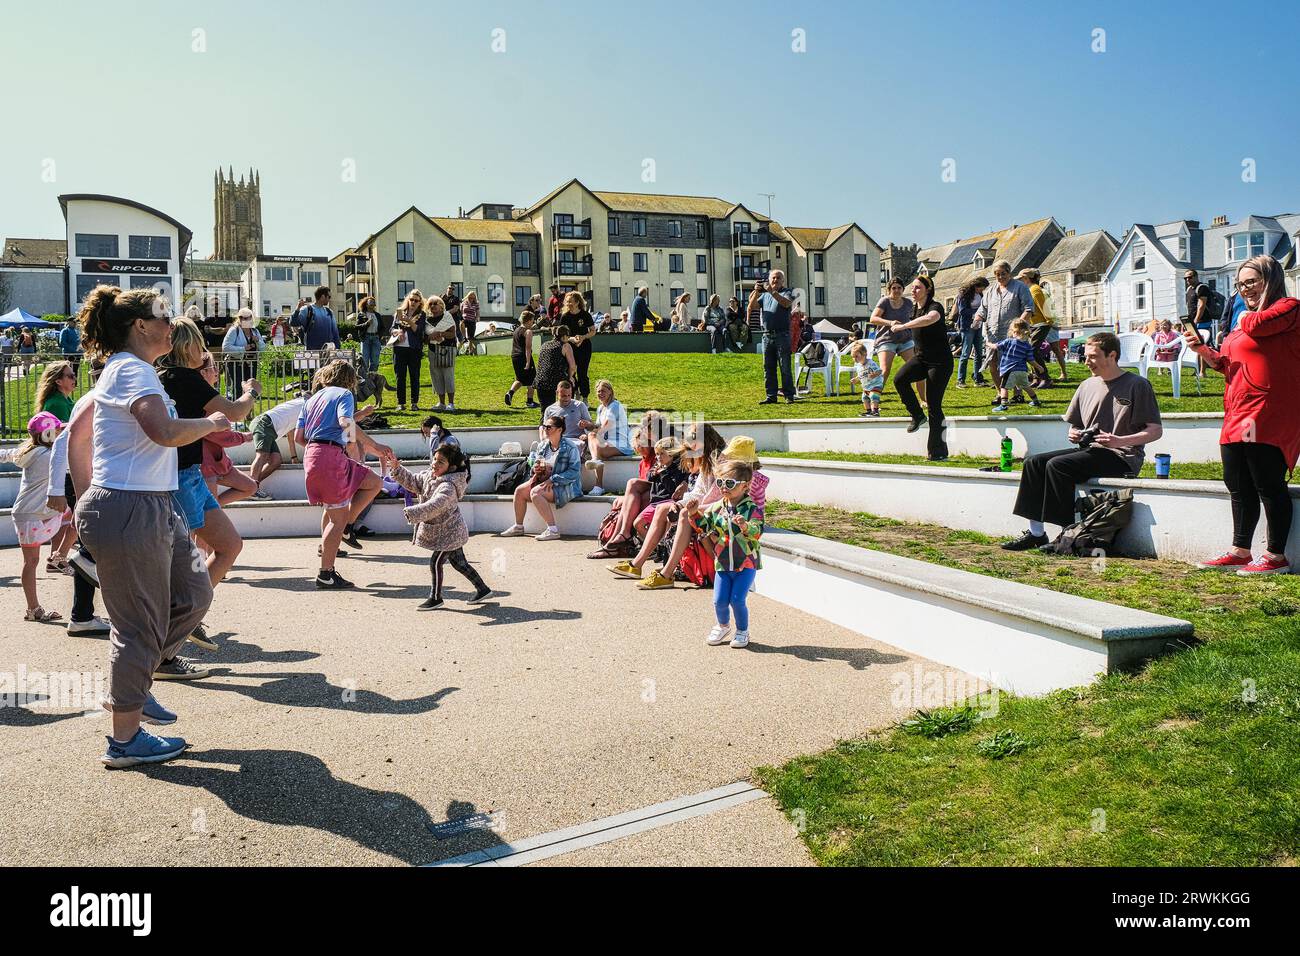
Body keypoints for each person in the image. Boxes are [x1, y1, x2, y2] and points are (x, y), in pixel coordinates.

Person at [70, 285, 225, 766]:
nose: (171, 324)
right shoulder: (130, 369)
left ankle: (133, 687)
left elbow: (83, 435)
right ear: (140, 326)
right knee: (139, 628)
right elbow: (162, 431)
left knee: (195, 593)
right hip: (131, 507)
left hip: (151, 505)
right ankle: (124, 739)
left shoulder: (134, 372)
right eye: (163, 316)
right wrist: (210, 423)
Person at [1185, 255, 1300, 575]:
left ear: (1272, 280)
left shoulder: (1289, 308)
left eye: (1252, 282)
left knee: (1266, 481)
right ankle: (1240, 550)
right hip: (1237, 410)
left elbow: (1257, 325)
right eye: (1240, 284)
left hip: (1268, 411)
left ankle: (1277, 557)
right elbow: (1227, 364)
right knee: (1237, 481)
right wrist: (1202, 350)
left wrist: (1244, 313)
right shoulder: (1243, 319)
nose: (1244, 289)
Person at [1002, 332, 1163, 551]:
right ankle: (1036, 534)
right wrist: (1074, 433)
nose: (1086, 361)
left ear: (1112, 355)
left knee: (1058, 466)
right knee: (1033, 463)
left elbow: (1154, 431)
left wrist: (1119, 441)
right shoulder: (1087, 385)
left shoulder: (1137, 385)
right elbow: (1074, 425)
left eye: (1093, 356)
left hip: (1122, 456)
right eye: (1085, 356)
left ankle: (1069, 537)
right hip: (1092, 451)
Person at [157, 319, 261, 651]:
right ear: (189, 346)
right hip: (180, 479)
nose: (204, 351)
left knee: (228, 545)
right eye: (200, 344)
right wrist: (251, 392)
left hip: (190, 475)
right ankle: (177, 627)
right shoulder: (184, 379)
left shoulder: (164, 379)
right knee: (185, 558)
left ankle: (191, 614)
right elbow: (234, 412)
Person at [294, 359, 394, 588]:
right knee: (338, 519)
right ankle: (326, 573)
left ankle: (336, 537)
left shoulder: (311, 400)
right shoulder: (344, 395)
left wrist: (321, 450)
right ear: (349, 379)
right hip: (331, 455)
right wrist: (367, 447)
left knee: (373, 482)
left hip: (313, 455)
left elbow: (299, 437)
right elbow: (345, 422)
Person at [388, 442, 492, 609]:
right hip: (448, 532)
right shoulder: (431, 476)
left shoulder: (448, 487)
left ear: (451, 468)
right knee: (460, 564)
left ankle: (435, 598)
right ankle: (483, 589)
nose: (434, 464)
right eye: (435, 459)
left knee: (435, 563)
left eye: (441, 462)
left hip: (450, 533)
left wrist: (412, 512)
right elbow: (413, 481)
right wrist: (397, 468)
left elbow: (435, 505)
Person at [2, 412, 73, 622]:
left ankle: (59, 555)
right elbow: (68, 458)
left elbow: (8, 454)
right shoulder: (47, 458)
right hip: (31, 514)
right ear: (49, 433)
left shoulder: (31, 450)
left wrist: (66, 426)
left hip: (36, 512)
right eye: (56, 430)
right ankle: (33, 609)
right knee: (31, 562)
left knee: (74, 515)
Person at [695, 459, 763, 649]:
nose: (724, 487)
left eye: (730, 483)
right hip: (723, 562)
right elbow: (704, 527)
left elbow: (757, 531)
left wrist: (745, 526)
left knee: (737, 599)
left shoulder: (751, 508)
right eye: (720, 482)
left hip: (746, 562)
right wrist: (694, 514)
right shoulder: (717, 507)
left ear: (746, 486)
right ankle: (723, 625)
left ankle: (742, 630)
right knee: (719, 600)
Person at [891, 275, 953, 461]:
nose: (913, 290)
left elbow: (929, 319)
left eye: (918, 287)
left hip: (940, 363)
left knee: (934, 406)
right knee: (899, 379)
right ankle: (917, 415)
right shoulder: (913, 309)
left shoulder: (935, 307)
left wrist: (903, 327)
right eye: (913, 288)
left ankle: (937, 451)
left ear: (928, 289)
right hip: (921, 358)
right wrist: (894, 324)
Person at [607, 437, 688, 578]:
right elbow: (650, 477)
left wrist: (663, 474)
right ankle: (655, 548)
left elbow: (673, 488)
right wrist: (656, 472)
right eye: (657, 454)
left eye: (662, 454)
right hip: (655, 502)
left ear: (672, 453)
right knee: (638, 523)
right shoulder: (659, 465)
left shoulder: (678, 468)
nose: (658, 457)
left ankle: (658, 550)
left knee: (655, 526)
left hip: (667, 500)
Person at [499, 414, 582, 541]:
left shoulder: (571, 447)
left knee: (536, 493)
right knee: (520, 491)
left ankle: (553, 530)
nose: (545, 430)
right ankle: (519, 526)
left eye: (549, 427)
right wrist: (535, 470)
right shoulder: (543, 446)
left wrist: (553, 479)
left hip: (566, 485)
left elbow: (574, 472)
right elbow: (536, 465)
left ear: (560, 430)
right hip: (545, 481)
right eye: (544, 427)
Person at [198, 352, 259, 506]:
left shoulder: (210, 397)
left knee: (250, 487)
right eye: (213, 367)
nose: (217, 371)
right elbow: (220, 435)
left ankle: (215, 510)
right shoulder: (202, 399)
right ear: (203, 372)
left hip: (218, 464)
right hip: (206, 466)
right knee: (207, 513)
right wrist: (245, 437)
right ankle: (213, 513)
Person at [975, 259, 1036, 394]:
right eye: (997, 274)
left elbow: (1029, 308)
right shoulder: (990, 291)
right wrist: (977, 319)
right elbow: (982, 309)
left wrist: (1019, 325)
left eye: (1003, 273)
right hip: (992, 333)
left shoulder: (1020, 287)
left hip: (1012, 334)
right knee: (993, 365)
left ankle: (1017, 394)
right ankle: (999, 393)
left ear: (1009, 273)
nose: (1001, 277)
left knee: (1013, 366)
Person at [869, 278, 922, 403]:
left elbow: (915, 319)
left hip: (905, 339)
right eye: (894, 288)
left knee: (919, 367)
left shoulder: (909, 303)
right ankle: (874, 398)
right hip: (886, 339)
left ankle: (923, 400)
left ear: (903, 289)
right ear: (889, 290)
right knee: (885, 369)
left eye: (899, 288)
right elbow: (873, 318)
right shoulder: (884, 302)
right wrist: (890, 322)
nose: (897, 290)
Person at [579, 378, 633, 495]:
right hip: (607, 441)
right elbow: (597, 426)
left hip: (621, 443)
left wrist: (592, 431)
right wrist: (588, 426)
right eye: (598, 391)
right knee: (591, 436)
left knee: (594, 439)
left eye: (603, 391)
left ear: (610, 391)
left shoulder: (615, 405)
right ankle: (596, 464)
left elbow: (606, 425)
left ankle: (598, 484)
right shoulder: (601, 408)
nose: (600, 394)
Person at [750, 269, 796, 404]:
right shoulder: (764, 295)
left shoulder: (787, 292)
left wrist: (771, 291)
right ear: (769, 280)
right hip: (767, 336)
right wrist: (756, 291)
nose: (775, 280)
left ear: (783, 280)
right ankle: (771, 395)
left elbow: (786, 303)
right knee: (768, 367)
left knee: (785, 367)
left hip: (782, 335)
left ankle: (789, 395)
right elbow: (752, 306)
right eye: (773, 278)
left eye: (778, 278)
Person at [248, 395, 305, 494]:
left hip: (269, 428)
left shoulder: (299, 406)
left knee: (276, 461)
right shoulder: (306, 405)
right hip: (264, 423)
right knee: (262, 455)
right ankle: (250, 489)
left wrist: (294, 457)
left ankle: (249, 486)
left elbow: (291, 432)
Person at [991, 319, 1042, 413]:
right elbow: (1030, 360)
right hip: (1022, 371)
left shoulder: (1009, 341)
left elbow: (996, 347)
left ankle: (1003, 405)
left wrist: (988, 344)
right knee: (1026, 386)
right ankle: (1036, 401)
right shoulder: (1027, 345)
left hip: (1010, 370)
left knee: (1004, 387)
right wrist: (1039, 367)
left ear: (1014, 331)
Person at [390, 289, 426, 411]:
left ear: (420, 302)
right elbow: (392, 329)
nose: (413, 302)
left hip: (414, 349)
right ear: (408, 300)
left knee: (414, 376)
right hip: (399, 348)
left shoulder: (422, 314)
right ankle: (401, 403)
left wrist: (409, 321)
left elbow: (419, 331)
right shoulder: (400, 312)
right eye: (411, 299)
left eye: (416, 300)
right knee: (400, 377)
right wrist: (397, 332)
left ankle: (414, 403)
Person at [559, 291, 595, 401]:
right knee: (571, 371)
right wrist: (571, 339)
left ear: (577, 302)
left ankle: (585, 397)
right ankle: (574, 394)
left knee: (582, 373)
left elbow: (593, 331)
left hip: (584, 347)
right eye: (567, 301)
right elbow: (561, 335)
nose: (568, 304)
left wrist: (583, 337)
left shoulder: (585, 315)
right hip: (570, 348)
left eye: (570, 301)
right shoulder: (565, 317)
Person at [221, 307, 264, 400]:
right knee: (238, 389)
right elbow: (226, 347)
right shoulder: (234, 330)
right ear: (239, 319)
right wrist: (243, 349)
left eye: (249, 317)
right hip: (235, 363)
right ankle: (236, 412)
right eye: (244, 318)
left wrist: (258, 341)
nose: (247, 320)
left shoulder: (255, 331)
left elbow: (263, 348)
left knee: (250, 389)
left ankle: (248, 412)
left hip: (251, 364)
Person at [533, 324, 577, 415]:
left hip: (541, 381)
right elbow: (572, 366)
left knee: (545, 412)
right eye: (568, 336)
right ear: (564, 336)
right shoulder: (565, 346)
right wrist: (570, 377)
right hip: (556, 381)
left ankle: (544, 427)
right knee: (564, 410)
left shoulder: (545, 345)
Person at [954, 277, 989, 387]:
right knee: (965, 353)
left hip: (978, 326)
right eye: (982, 288)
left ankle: (978, 378)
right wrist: (978, 312)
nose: (982, 290)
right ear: (976, 285)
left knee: (979, 353)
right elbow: (963, 311)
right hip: (967, 326)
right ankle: (960, 380)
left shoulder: (980, 295)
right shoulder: (963, 295)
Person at [424, 295, 457, 411]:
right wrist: (429, 338)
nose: (432, 306)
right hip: (433, 350)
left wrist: (440, 334)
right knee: (436, 377)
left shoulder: (447, 317)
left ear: (441, 305)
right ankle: (441, 403)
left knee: (448, 376)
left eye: (435, 303)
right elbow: (424, 338)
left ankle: (451, 403)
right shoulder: (426, 320)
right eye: (430, 304)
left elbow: (452, 334)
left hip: (446, 350)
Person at [504, 310, 539, 407]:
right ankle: (530, 401)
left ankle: (510, 393)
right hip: (523, 356)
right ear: (528, 321)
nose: (533, 323)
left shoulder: (517, 330)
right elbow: (528, 348)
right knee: (532, 378)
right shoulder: (528, 331)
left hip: (515, 356)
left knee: (520, 378)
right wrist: (528, 362)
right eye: (532, 320)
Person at [291, 286, 341, 351]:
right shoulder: (307, 310)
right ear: (323, 297)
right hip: (312, 352)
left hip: (328, 351)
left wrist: (337, 348)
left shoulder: (329, 312)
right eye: (329, 297)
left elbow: (335, 332)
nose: (329, 299)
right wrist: (297, 309)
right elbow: (293, 323)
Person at [541, 378, 590, 444]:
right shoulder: (549, 409)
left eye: (569, 395)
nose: (567, 398)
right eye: (563, 396)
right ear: (557, 393)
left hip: (577, 440)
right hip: (558, 441)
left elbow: (591, 426)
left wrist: (587, 424)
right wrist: (546, 440)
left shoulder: (580, 405)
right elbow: (545, 429)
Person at [847, 340, 884, 417]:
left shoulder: (871, 363)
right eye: (853, 357)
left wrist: (874, 374)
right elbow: (860, 375)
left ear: (864, 354)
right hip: (866, 386)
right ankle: (869, 411)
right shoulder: (858, 366)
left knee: (873, 396)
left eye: (857, 356)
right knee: (864, 398)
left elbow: (880, 371)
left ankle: (875, 411)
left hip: (876, 384)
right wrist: (856, 379)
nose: (855, 359)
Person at [353, 295, 384, 373]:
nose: (372, 304)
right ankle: (365, 380)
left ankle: (373, 379)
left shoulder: (377, 315)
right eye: (370, 302)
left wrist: (379, 337)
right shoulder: (362, 314)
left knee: (375, 362)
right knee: (364, 361)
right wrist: (367, 323)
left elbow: (382, 327)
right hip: (365, 338)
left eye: (373, 303)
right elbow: (356, 327)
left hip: (375, 338)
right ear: (366, 304)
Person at [460, 289, 479, 354]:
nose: (471, 298)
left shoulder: (476, 303)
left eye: (473, 297)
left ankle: (471, 351)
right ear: (468, 296)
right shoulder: (464, 303)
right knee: (461, 323)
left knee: (471, 337)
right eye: (470, 297)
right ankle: (464, 337)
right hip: (465, 319)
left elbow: (477, 312)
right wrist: (461, 317)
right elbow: (461, 311)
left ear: (474, 298)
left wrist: (477, 318)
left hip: (472, 320)